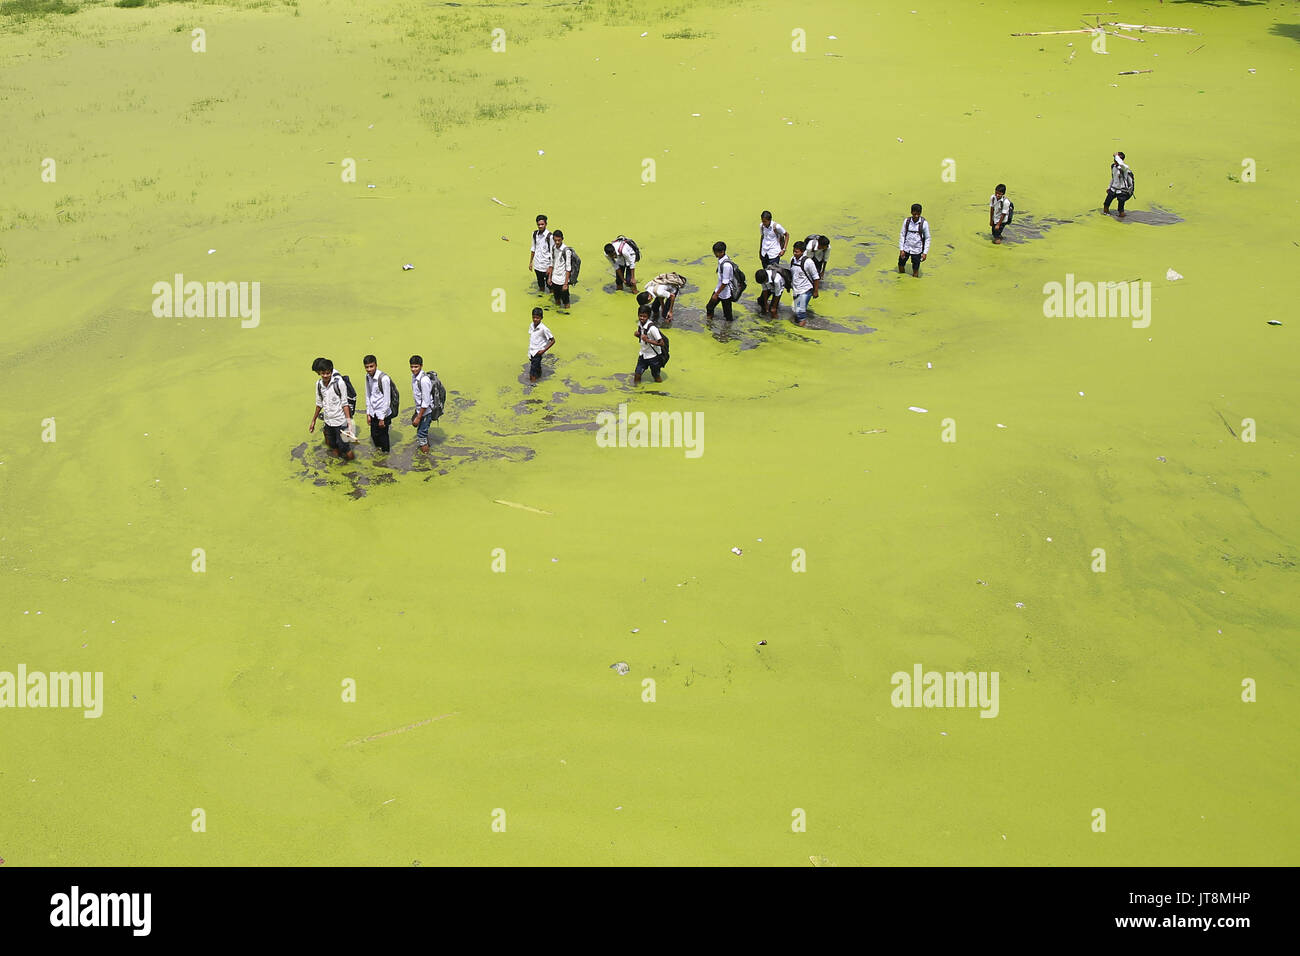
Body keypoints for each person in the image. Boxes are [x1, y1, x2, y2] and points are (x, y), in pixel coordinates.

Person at [309, 357, 355, 461]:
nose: (325, 376)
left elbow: (345, 404)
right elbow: (319, 403)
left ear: (331, 371)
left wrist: (349, 423)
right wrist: (313, 420)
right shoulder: (319, 384)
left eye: (327, 373)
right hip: (328, 420)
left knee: (345, 448)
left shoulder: (339, 383)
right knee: (333, 445)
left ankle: (352, 466)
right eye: (322, 373)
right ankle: (337, 462)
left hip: (340, 421)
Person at [362, 354, 397, 454]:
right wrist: (368, 413)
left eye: (371, 366)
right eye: (367, 367)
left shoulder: (384, 378)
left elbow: (387, 399)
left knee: (383, 437)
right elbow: (368, 395)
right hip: (373, 412)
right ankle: (378, 454)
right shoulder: (367, 377)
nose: (369, 369)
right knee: (374, 435)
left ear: (376, 365)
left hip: (383, 413)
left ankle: (386, 456)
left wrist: (382, 418)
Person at [409, 354, 438, 456]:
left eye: (416, 367)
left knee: (421, 435)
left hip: (425, 412)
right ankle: (426, 447)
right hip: (420, 410)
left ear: (421, 366)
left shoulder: (424, 380)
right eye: (412, 367)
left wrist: (418, 417)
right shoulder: (414, 377)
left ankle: (426, 456)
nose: (413, 369)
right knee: (422, 433)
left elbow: (425, 402)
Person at [633, 306, 666, 385]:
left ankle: (659, 391)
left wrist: (647, 340)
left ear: (648, 316)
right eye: (640, 316)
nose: (642, 318)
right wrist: (638, 335)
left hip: (653, 356)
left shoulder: (652, 328)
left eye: (644, 316)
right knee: (637, 374)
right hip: (643, 354)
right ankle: (636, 392)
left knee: (656, 376)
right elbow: (642, 336)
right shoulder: (640, 324)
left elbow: (661, 343)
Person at [790, 241, 820, 325]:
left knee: (800, 313)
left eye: (797, 252)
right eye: (794, 251)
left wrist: (815, 291)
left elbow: (816, 277)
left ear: (802, 251)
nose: (795, 253)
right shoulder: (792, 260)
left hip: (806, 290)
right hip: (796, 289)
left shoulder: (808, 262)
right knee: (797, 310)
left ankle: (800, 331)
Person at [898, 203, 931, 277]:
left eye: (918, 213)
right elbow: (902, 235)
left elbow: (927, 238)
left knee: (915, 269)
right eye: (915, 213)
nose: (916, 215)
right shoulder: (907, 221)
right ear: (911, 212)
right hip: (906, 248)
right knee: (900, 265)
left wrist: (925, 252)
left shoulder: (924, 223)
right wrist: (901, 249)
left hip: (917, 250)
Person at [706, 241, 736, 321]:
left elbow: (725, 282)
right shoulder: (721, 260)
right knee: (709, 307)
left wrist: (716, 294)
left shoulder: (726, 265)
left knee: (728, 316)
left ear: (722, 252)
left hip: (726, 294)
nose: (715, 254)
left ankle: (728, 330)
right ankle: (709, 323)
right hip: (719, 290)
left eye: (716, 252)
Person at [547, 229, 573, 310]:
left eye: (559, 240)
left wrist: (566, 284)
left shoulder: (566, 251)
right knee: (557, 299)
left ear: (562, 239)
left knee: (566, 302)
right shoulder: (553, 248)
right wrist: (549, 277)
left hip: (563, 281)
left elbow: (568, 268)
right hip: (555, 279)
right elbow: (552, 263)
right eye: (555, 240)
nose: (557, 242)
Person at [528, 307, 555, 383]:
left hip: (538, 352)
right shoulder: (531, 325)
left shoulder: (544, 329)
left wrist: (543, 351)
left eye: (537, 318)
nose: (535, 319)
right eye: (533, 317)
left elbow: (553, 340)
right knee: (537, 368)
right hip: (531, 351)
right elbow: (532, 338)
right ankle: (539, 377)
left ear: (541, 318)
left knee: (532, 372)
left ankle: (532, 385)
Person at [1103, 152, 1133, 218]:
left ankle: (1121, 219)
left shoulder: (1125, 168)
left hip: (1122, 191)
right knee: (1106, 204)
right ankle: (1106, 214)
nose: (1115, 161)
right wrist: (1109, 187)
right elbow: (1113, 178)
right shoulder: (1113, 167)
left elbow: (1121, 164)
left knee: (1121, 209)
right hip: (1113, 189)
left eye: (1116, 159)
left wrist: (1116, 156)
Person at [528, 214, 552, 292]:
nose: (540, 226)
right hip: (537, 266)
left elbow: (553, 253)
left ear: (546, 224)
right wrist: (531, 262)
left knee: (551, 288)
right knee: (541, 286)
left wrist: (551, 267)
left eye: (542, 224)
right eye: (539, 224)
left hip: (546, 266)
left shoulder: (550, 236)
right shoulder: (535, 234)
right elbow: (533, 248)